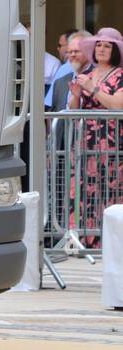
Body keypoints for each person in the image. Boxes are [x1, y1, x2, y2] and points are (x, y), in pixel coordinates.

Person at [68, 27, 123, 247]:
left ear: (115, 50)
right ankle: (86, 239)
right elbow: (74, 109)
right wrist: (76, 95)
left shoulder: (120, 75)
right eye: (98, 44)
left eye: (107, 45)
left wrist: (93, 89)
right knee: (86, 190)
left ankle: (112, 241)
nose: (101, 49)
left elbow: (117, 105)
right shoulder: (88, 73)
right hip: (86, 142)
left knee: (112, 190)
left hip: (111, 143)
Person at [48, 30, 91, 111]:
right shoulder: (60, 83)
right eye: (69, 52)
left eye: (77, 51)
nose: (72, 55)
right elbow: (53, 113)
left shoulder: (99, 78)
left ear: (89, 51)